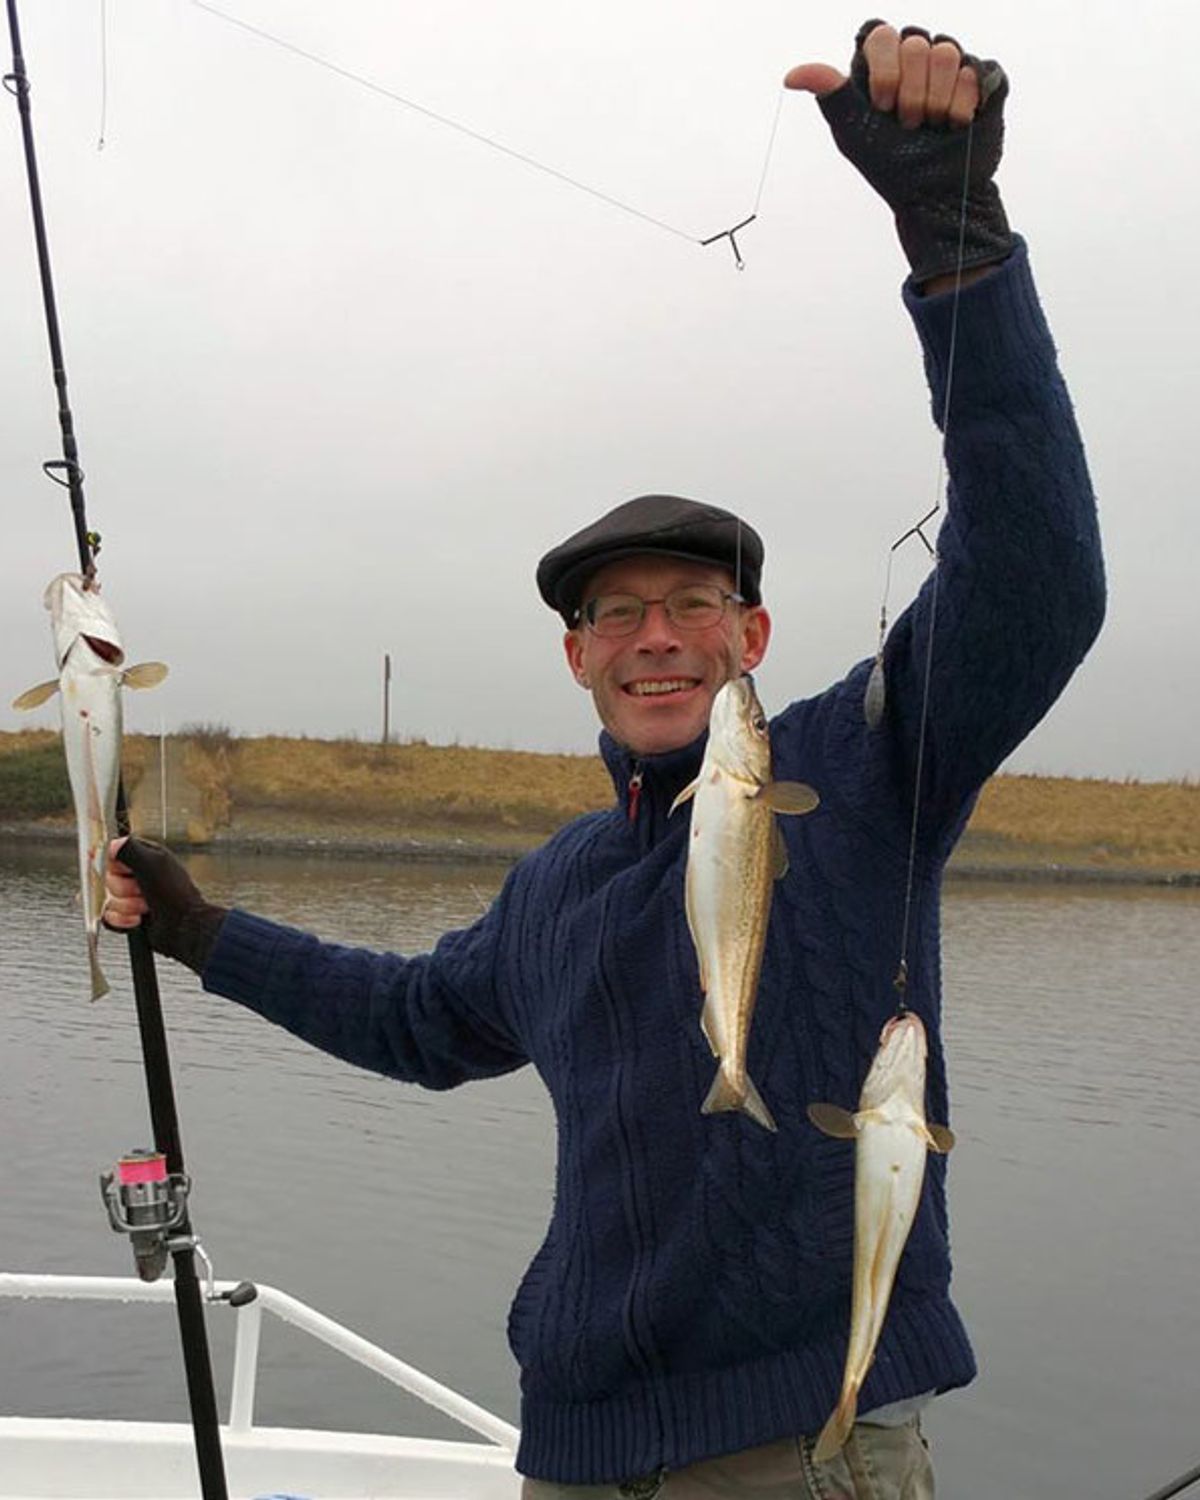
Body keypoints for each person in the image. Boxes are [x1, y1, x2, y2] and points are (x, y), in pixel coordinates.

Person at [105, 20, 1105, 1499]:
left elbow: (1037, 579)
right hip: (572, 1454)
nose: (655, 638)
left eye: (693, 607)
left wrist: (956, 243)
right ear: (576, 657)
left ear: (751, 633)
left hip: (802, 1445)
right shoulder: (559, 884)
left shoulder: (862, 766)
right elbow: (417, 1021)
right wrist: (201, 935)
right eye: (616, 615)